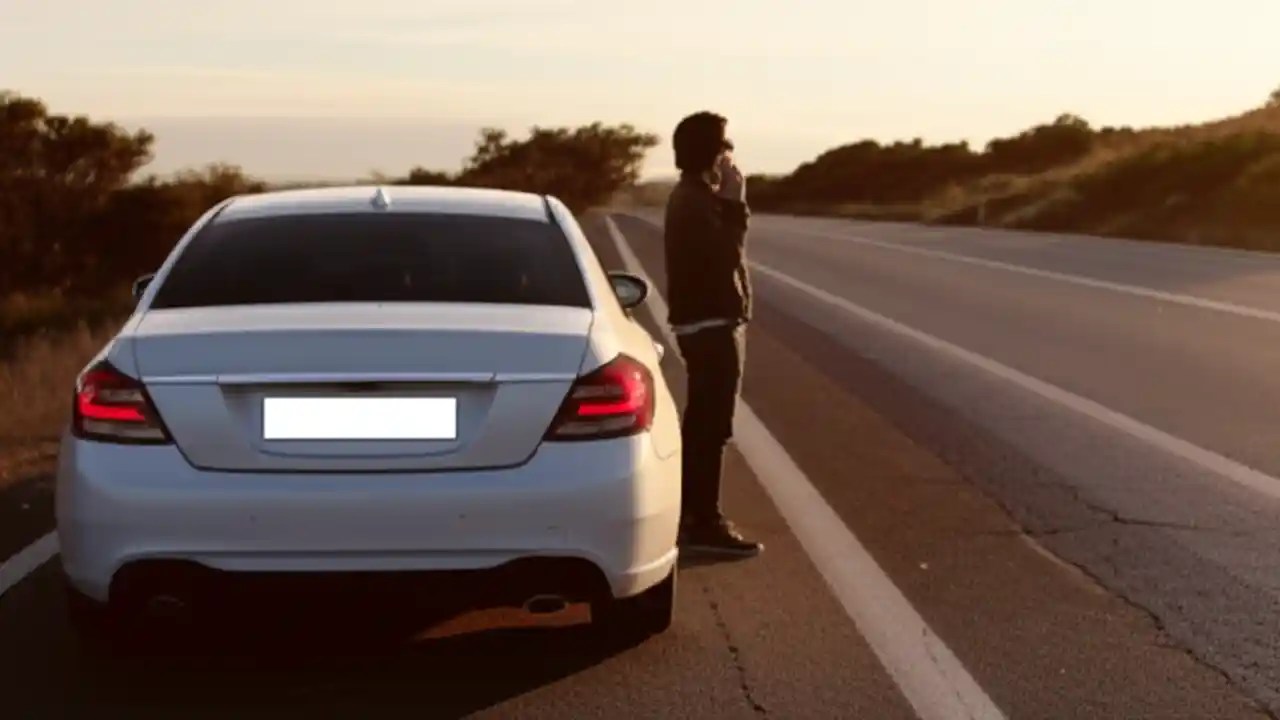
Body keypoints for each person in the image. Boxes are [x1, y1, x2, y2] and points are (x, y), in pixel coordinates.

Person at [663, 111, 763, 557]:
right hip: (708, 325)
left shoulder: (695, 197)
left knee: (705, 422)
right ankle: (701, 521)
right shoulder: (696, 201)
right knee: (711, 425)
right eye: (724, 146)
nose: (729, 153)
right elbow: (724, 256)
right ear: (711, 152)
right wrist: (735, 201)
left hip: (707, 322)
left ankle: (695, 515)